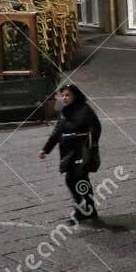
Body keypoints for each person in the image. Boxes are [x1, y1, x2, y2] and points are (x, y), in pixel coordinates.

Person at [39, 83, 103, 220]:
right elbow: (57, 132)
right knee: (73, 180)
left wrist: (90, 142)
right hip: (68, 152)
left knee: (79, 178)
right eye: (62, 95)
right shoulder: (64, 112)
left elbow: (95, 127)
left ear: (75, 95)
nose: (64, 98)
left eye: (68, 95)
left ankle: (85, 209)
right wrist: (46, 149)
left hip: (82, 150)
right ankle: (85, 208)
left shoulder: (85, 110)